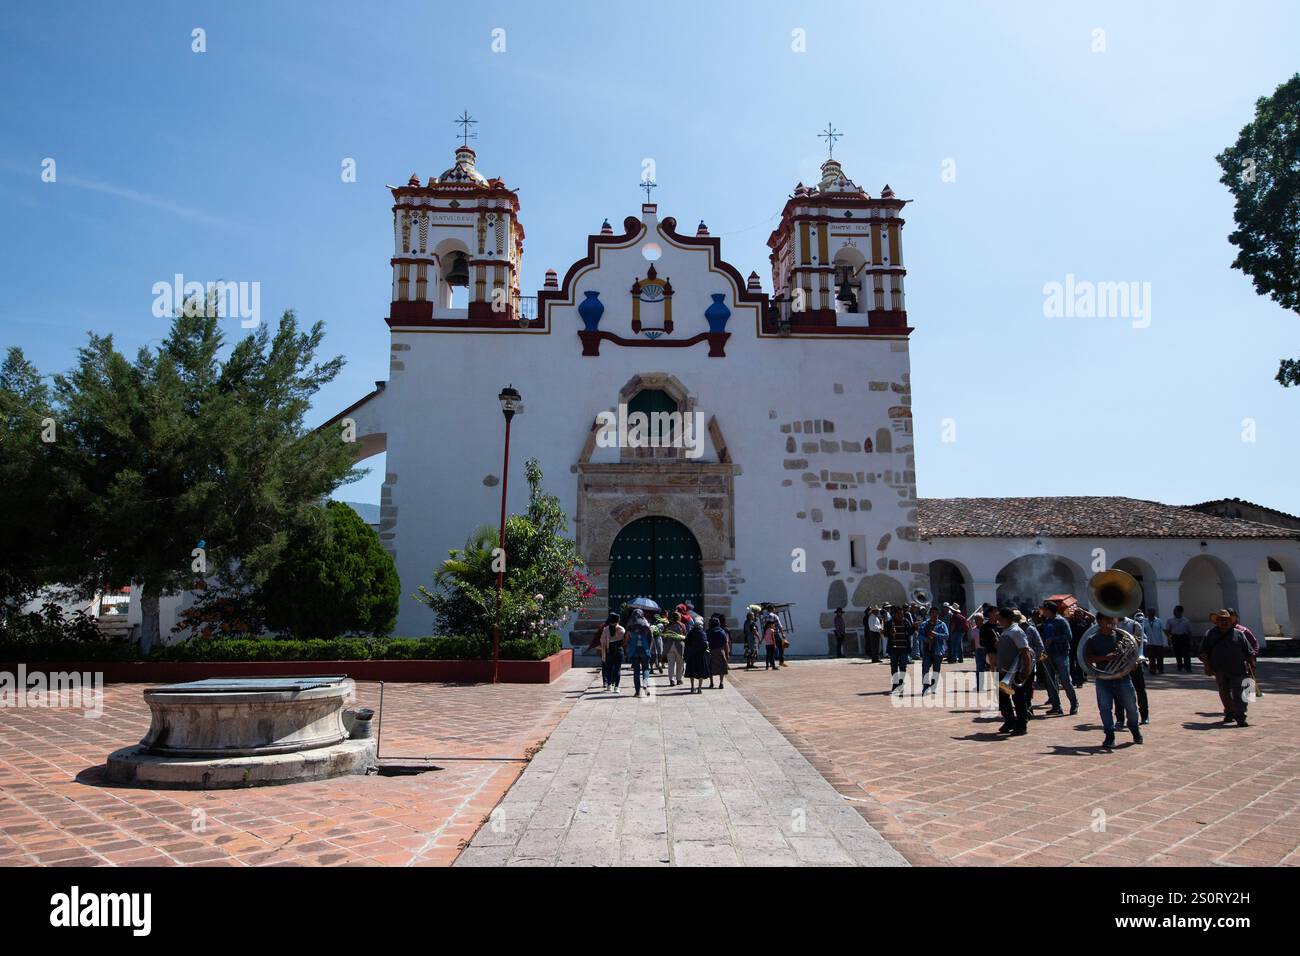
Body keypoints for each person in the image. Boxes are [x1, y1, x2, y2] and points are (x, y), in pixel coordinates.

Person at [1081, 613, 1142, 749]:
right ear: (1099, 621)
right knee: (1105, 709)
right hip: (1103, 678)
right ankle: (1109, 735)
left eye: (1113, 619)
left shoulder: (1123, 636)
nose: (1112, 622)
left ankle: (1135, 729)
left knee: (1131, 707)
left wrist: (1133, 662)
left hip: (1123, 677)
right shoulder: (1093, 639)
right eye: (1107, 619)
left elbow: (1132, 655)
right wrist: (1105, 658)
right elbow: (1088, 659)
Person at [1201, 610, 1254, 726]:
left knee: (1239, 693)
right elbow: (1204, 652)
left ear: (1231, 622)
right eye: (1221, 620)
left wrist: (1252, 667)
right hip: (1219, 670)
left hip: (1238, 669)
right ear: (1217, 622)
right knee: (1224, 692)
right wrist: (1207, 666)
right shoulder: (1210, 634)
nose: (1224, 622)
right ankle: (1229, 711)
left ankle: (1241, 717)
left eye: (1226, 620)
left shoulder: (1239, 634)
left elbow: (1249, 652)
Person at [994, 607, 1034, 735]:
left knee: (1018, 698)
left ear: (1007, 619)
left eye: (1000, 618)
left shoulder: (1016, 631)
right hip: (1004, 672)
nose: (998, 621)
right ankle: (1009, 720)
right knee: (1003, 697)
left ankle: (1021, 724)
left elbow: (1025, 652)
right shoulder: (1006, 631)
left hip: (1014, 673)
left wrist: (1025, 671)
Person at [1040, 600, 1078, 715]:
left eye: (1045, 610)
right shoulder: (1046, 622)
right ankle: (1056, 707)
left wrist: (1054, 639)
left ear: (1049, 610)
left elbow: (1069, 636)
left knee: (1065, 680)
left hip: (1061, 653)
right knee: (1051, 681)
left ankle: (1074, 704)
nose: (1043, 612)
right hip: (1048, 654)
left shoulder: (1061, 621)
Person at [918, 606, 948, 695]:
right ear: (930, 614)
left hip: (938, 651)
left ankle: (933, 686)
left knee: (936, 670)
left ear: (938, 614)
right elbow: (919, 636)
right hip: (927, 650)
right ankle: (925, 686)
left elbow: (946, 635)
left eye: (936, 613)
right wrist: (926, 639)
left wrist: (936, 634)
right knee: (925, 669)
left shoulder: (942, 624)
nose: (934, 615)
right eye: (932, 613)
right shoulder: (924, 624)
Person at [625, 609, 653, 697]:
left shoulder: (630, 624)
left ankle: (637, 692)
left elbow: (626, 638)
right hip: (645, 649)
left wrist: (626, 649)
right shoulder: (646, 623)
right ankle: (645, 684)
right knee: (646, 669)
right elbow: (651, 638)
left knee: (636, 671)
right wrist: (649, 649)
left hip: (634, 650)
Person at [885, 606, 913, 694]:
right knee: (893, 667)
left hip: (904, 648)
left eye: (902, 614)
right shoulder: (889, 623)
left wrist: (914, 627)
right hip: (893, 648)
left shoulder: (906, 621)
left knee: (903, 667)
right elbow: (885, 633)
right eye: (899, 614)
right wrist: (890, 632)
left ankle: (901, 684)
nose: (901, 616)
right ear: (894, 614)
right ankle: (895, 684)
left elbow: (910, 632)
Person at [684, 612, 710, 692]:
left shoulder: (690, 633)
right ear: (701, 626)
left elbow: (686, 643)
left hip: (692, 655)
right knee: (701, 672)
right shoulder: (703, 633)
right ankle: (699, 688)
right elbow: (705, 644)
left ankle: (692, 687)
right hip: (701, 655)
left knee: (691, 672)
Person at [599, 612, 625, 693]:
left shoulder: (606, 629)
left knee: (609, 668)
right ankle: (616, 687)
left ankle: (609, 685)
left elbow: (602, 640)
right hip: (619, 650)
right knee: (617, 669)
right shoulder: (622, 629)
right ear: (618, 621)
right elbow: (624, 640)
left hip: (609, 650)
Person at [707, 614, 731, 689]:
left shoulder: (707, 632)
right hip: (720, 651)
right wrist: (727, 654)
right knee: (722, 668)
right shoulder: (722, 632)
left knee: (710, 667)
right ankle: (721, 683)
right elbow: (725, 644)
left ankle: (711, 683)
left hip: (710, 651)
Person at [1166, 604, 1193, 672]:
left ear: (1180, 612)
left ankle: (1188, 667)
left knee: (1186, 653)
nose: (1174, 612)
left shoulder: (1186, 621)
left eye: (1175, 610)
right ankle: (1179, 666)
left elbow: (1189, 631)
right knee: (1177, 652)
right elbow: (1168, 630)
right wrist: (1169, 638)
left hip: (1184, 637)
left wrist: (1190, 640)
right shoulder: (1170, 620)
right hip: (1175, 637)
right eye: (1174, 610)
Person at [664, 610, 687, 685]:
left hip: (669, 646)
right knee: (680, 664)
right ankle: (679, 679)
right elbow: (685, 635)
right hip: (679, 646)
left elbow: (664, 635)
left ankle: (671, 680)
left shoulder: (668, 625)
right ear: (679, 617)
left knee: (671, 664)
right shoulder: (682, 625)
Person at [1143, 608, 1166, 674]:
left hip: (1159, 642)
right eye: (1149, 612)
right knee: (1151, 657)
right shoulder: (1144, 621)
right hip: (1149, 642)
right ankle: (1152, 669)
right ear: (1147, 613)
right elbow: (1142, 631)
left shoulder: (1159, 621)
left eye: (1152, 612)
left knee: (1160, 657)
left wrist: (1169, 637)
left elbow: (1164, 629)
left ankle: (1160, 669)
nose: (1150, 614)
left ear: (1154, 613)